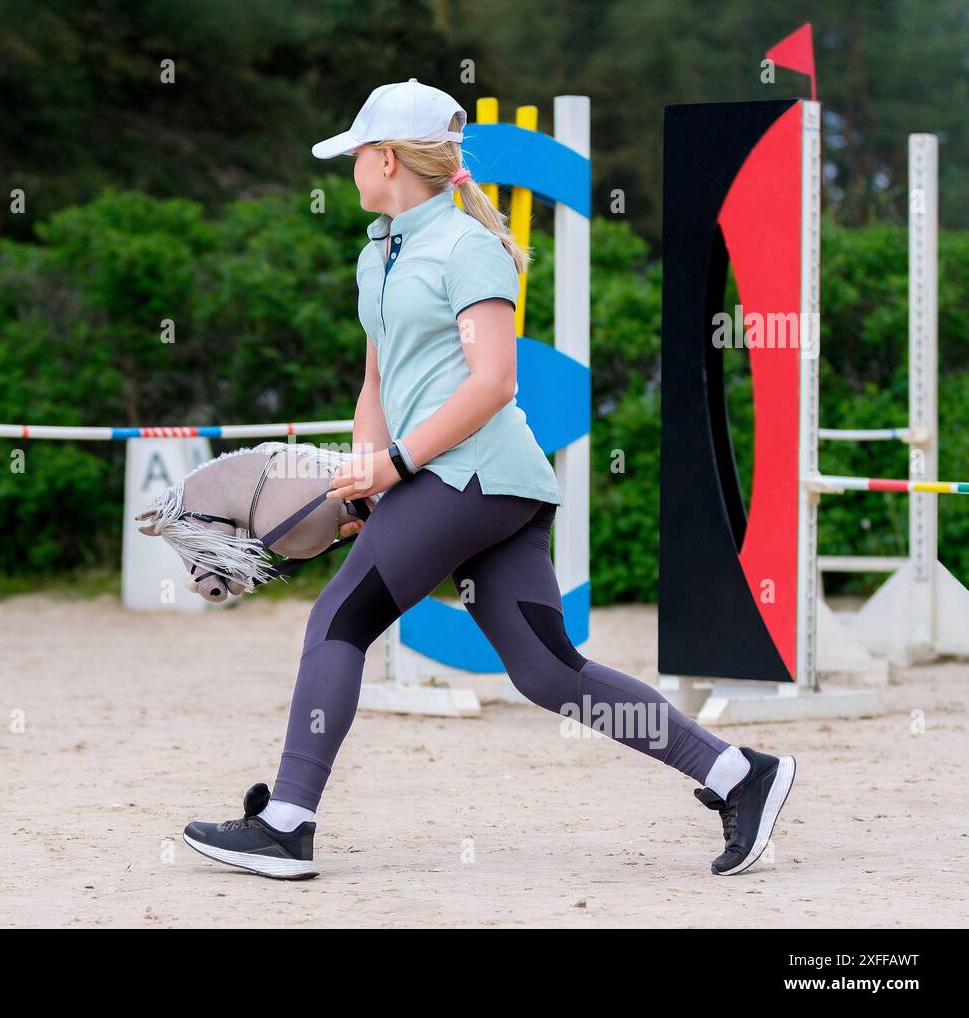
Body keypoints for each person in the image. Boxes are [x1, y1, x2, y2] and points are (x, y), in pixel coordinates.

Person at [182, 79, 796, 880]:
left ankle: (289, 823)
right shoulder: (379, 250)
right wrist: (365, 484)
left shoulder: (465, 248)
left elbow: (494, 382)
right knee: (547, 671)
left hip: (472, 476)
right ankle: (739, 776)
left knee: (338, 621)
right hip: (466, 485)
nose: (351, 167)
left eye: (358, 153)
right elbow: (377, 383)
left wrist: (399, 464)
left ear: (390, 159)